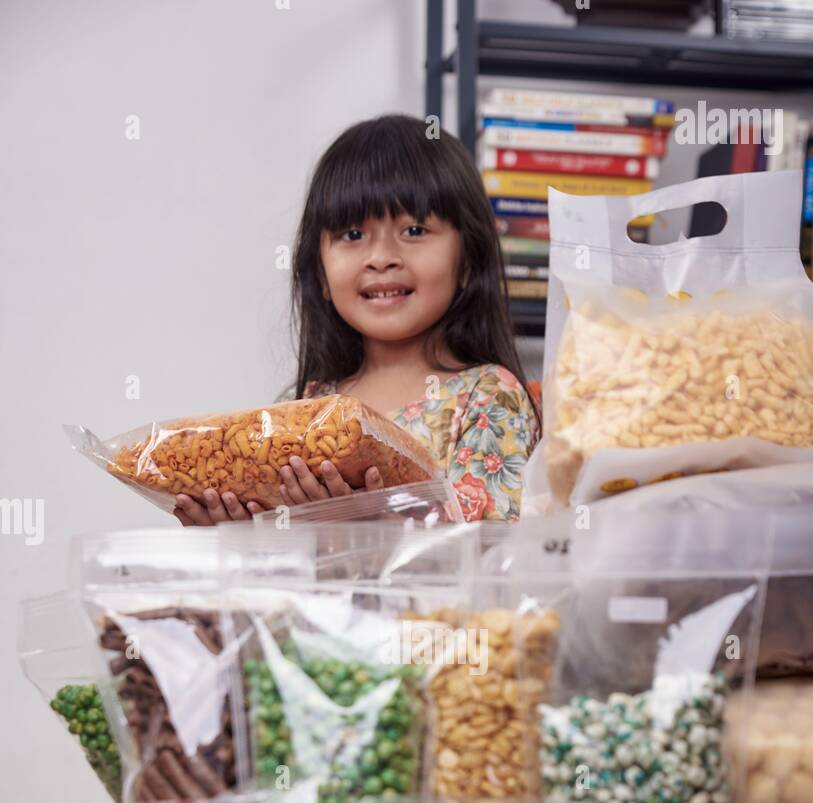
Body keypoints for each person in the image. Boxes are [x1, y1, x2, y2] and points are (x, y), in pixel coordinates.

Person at [175, 113, 541, 527]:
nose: (381, 257)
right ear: (320, 273)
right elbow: (283, 570)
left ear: (467, 262)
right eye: (352, 235)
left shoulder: (490, 397)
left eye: (415, 230)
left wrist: (367, 529)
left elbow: (491, 562)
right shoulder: (304, 409)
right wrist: (239, 530)